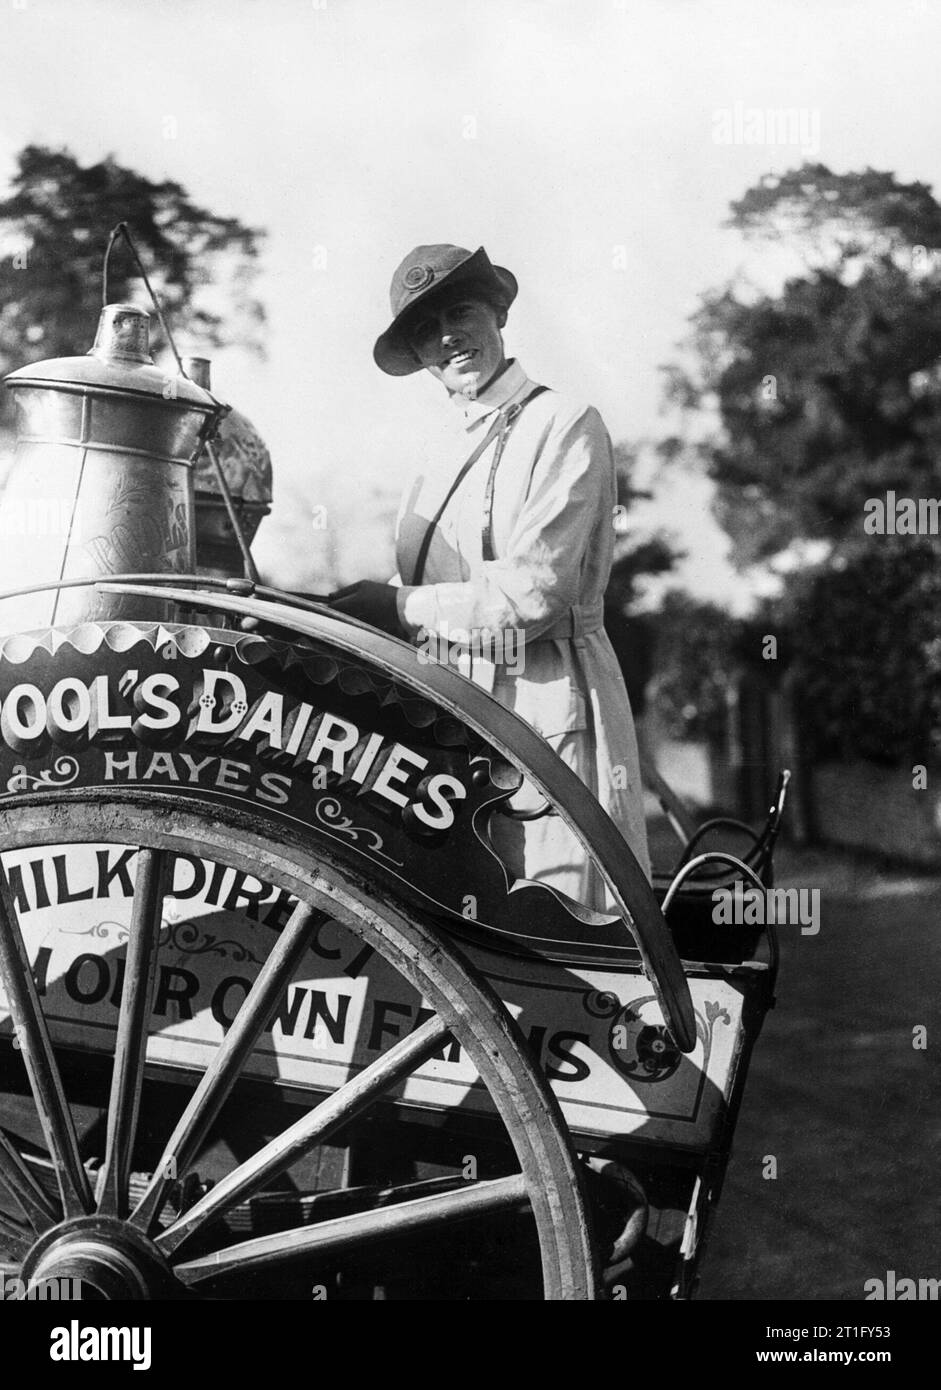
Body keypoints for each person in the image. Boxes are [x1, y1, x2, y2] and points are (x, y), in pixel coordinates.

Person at [331, 244, 650, 906]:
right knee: (473, 931)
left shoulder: (563, 424)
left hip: (548, 698)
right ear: (418, 356)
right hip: (452, 715)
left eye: (460, 311)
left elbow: (535, 591)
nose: (447, 336)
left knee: (561, 916)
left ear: (496, 314)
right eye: (425, 330)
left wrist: (398, 608)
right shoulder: (435, 456)